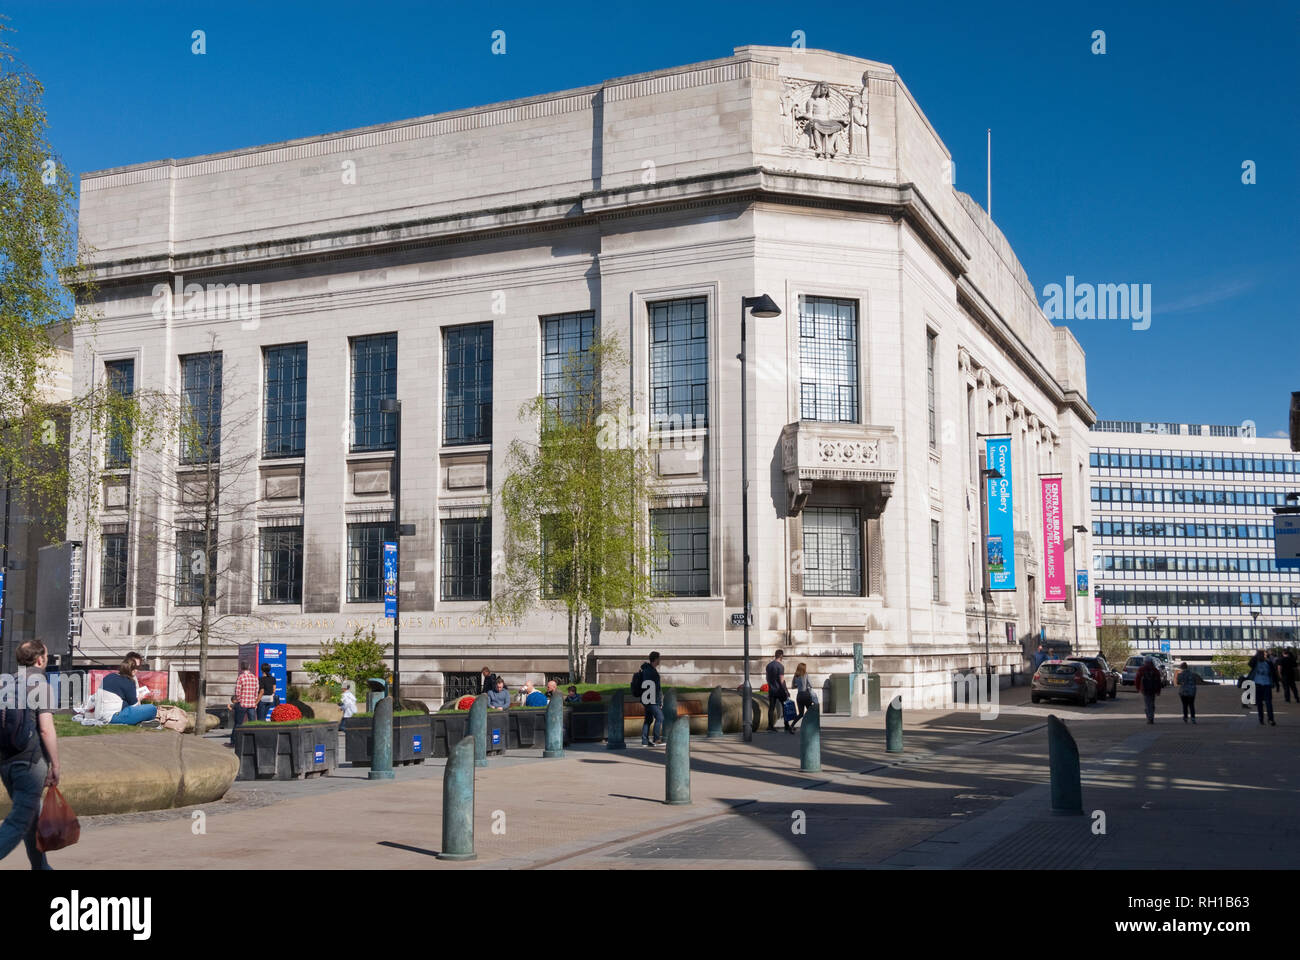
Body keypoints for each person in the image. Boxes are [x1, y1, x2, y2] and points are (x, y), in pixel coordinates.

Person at [0, 640, 60, 869]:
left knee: (30, 819)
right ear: (40, 660)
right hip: (30, 763)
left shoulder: (6, 682)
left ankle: (41, 867)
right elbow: (46, 729)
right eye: (46, 655)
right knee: (18, 822)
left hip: (6, 762)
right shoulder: (41, 686)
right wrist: (56, 765)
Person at [101, 656, 158, 726]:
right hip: (114, 717)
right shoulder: (129, 681)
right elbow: (135, 707)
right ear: (132, 670)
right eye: (136, 668)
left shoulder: (109, 676)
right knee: (152, 708)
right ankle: (142, 722)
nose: (136, 670)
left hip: (101, 714)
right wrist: (139, 698)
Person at [638, 652, 663, 747]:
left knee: (648, 719)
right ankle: (656, 739)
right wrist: (657, 701)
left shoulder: (649, 670)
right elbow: (651, 686)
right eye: (659, 658)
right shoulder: (650, 671)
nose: (660, 660)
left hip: (648, 699)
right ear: (655, 659)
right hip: (651, 699)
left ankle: (645, 741)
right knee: (660, 717)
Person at [1247, 649, 1278, 726]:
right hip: (1259, 684)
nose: (1265, 656)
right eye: (1264, 654)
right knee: (1262, 703)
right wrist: (1257, 655)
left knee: (1267, 703)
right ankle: (1264, 719)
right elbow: (1250, 663)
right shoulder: (1255, 663)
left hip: (1266, 684)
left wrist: (1277, 684)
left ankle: (1268, 719)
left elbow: (1273, 673)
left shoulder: (1268, 663)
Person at [231, 662, 260, 739]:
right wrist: (254, 701)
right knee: (252, 723)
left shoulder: (241, 677)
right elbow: (256, 691)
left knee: (238, 723)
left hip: (242, 703)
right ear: (249, 667)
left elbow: (237, 691)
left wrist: (239, 700)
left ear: (241, 667)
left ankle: (234, 740)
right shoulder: (254, 677)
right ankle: (252, 740)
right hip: (251, 704)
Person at [765, 649, 791, 733]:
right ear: (781, 656)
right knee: (785, 707)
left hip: (772, 689)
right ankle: (786, 725)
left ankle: (770, 726)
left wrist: (770, 685)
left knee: (771, 708)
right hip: (779, 690)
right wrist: (786, 690)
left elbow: (767, 678)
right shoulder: (780, 666)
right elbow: (782, 680)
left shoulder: (768, 666)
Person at [790, 662, 817, 729]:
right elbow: (811, 685)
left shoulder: (795, 675)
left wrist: (798, 685)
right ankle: (811, 727)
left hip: (799, 696)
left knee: (801, 714)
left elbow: (793, 686)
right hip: (806, 695)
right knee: (810, 712)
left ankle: (792, 726)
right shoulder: (806, 674)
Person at [1136, 656, 1162, 724]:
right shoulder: (1155, 670)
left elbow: (1137, 679)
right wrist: (1158, 690)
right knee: (1151, 703)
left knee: (1147, 704)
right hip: (1153, 689)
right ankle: (1151, 717)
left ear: (1145, 662)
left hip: (1145, 689)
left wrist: (1138, 687)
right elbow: (1159, 681)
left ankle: (1149, 718)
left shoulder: (1141, 669)